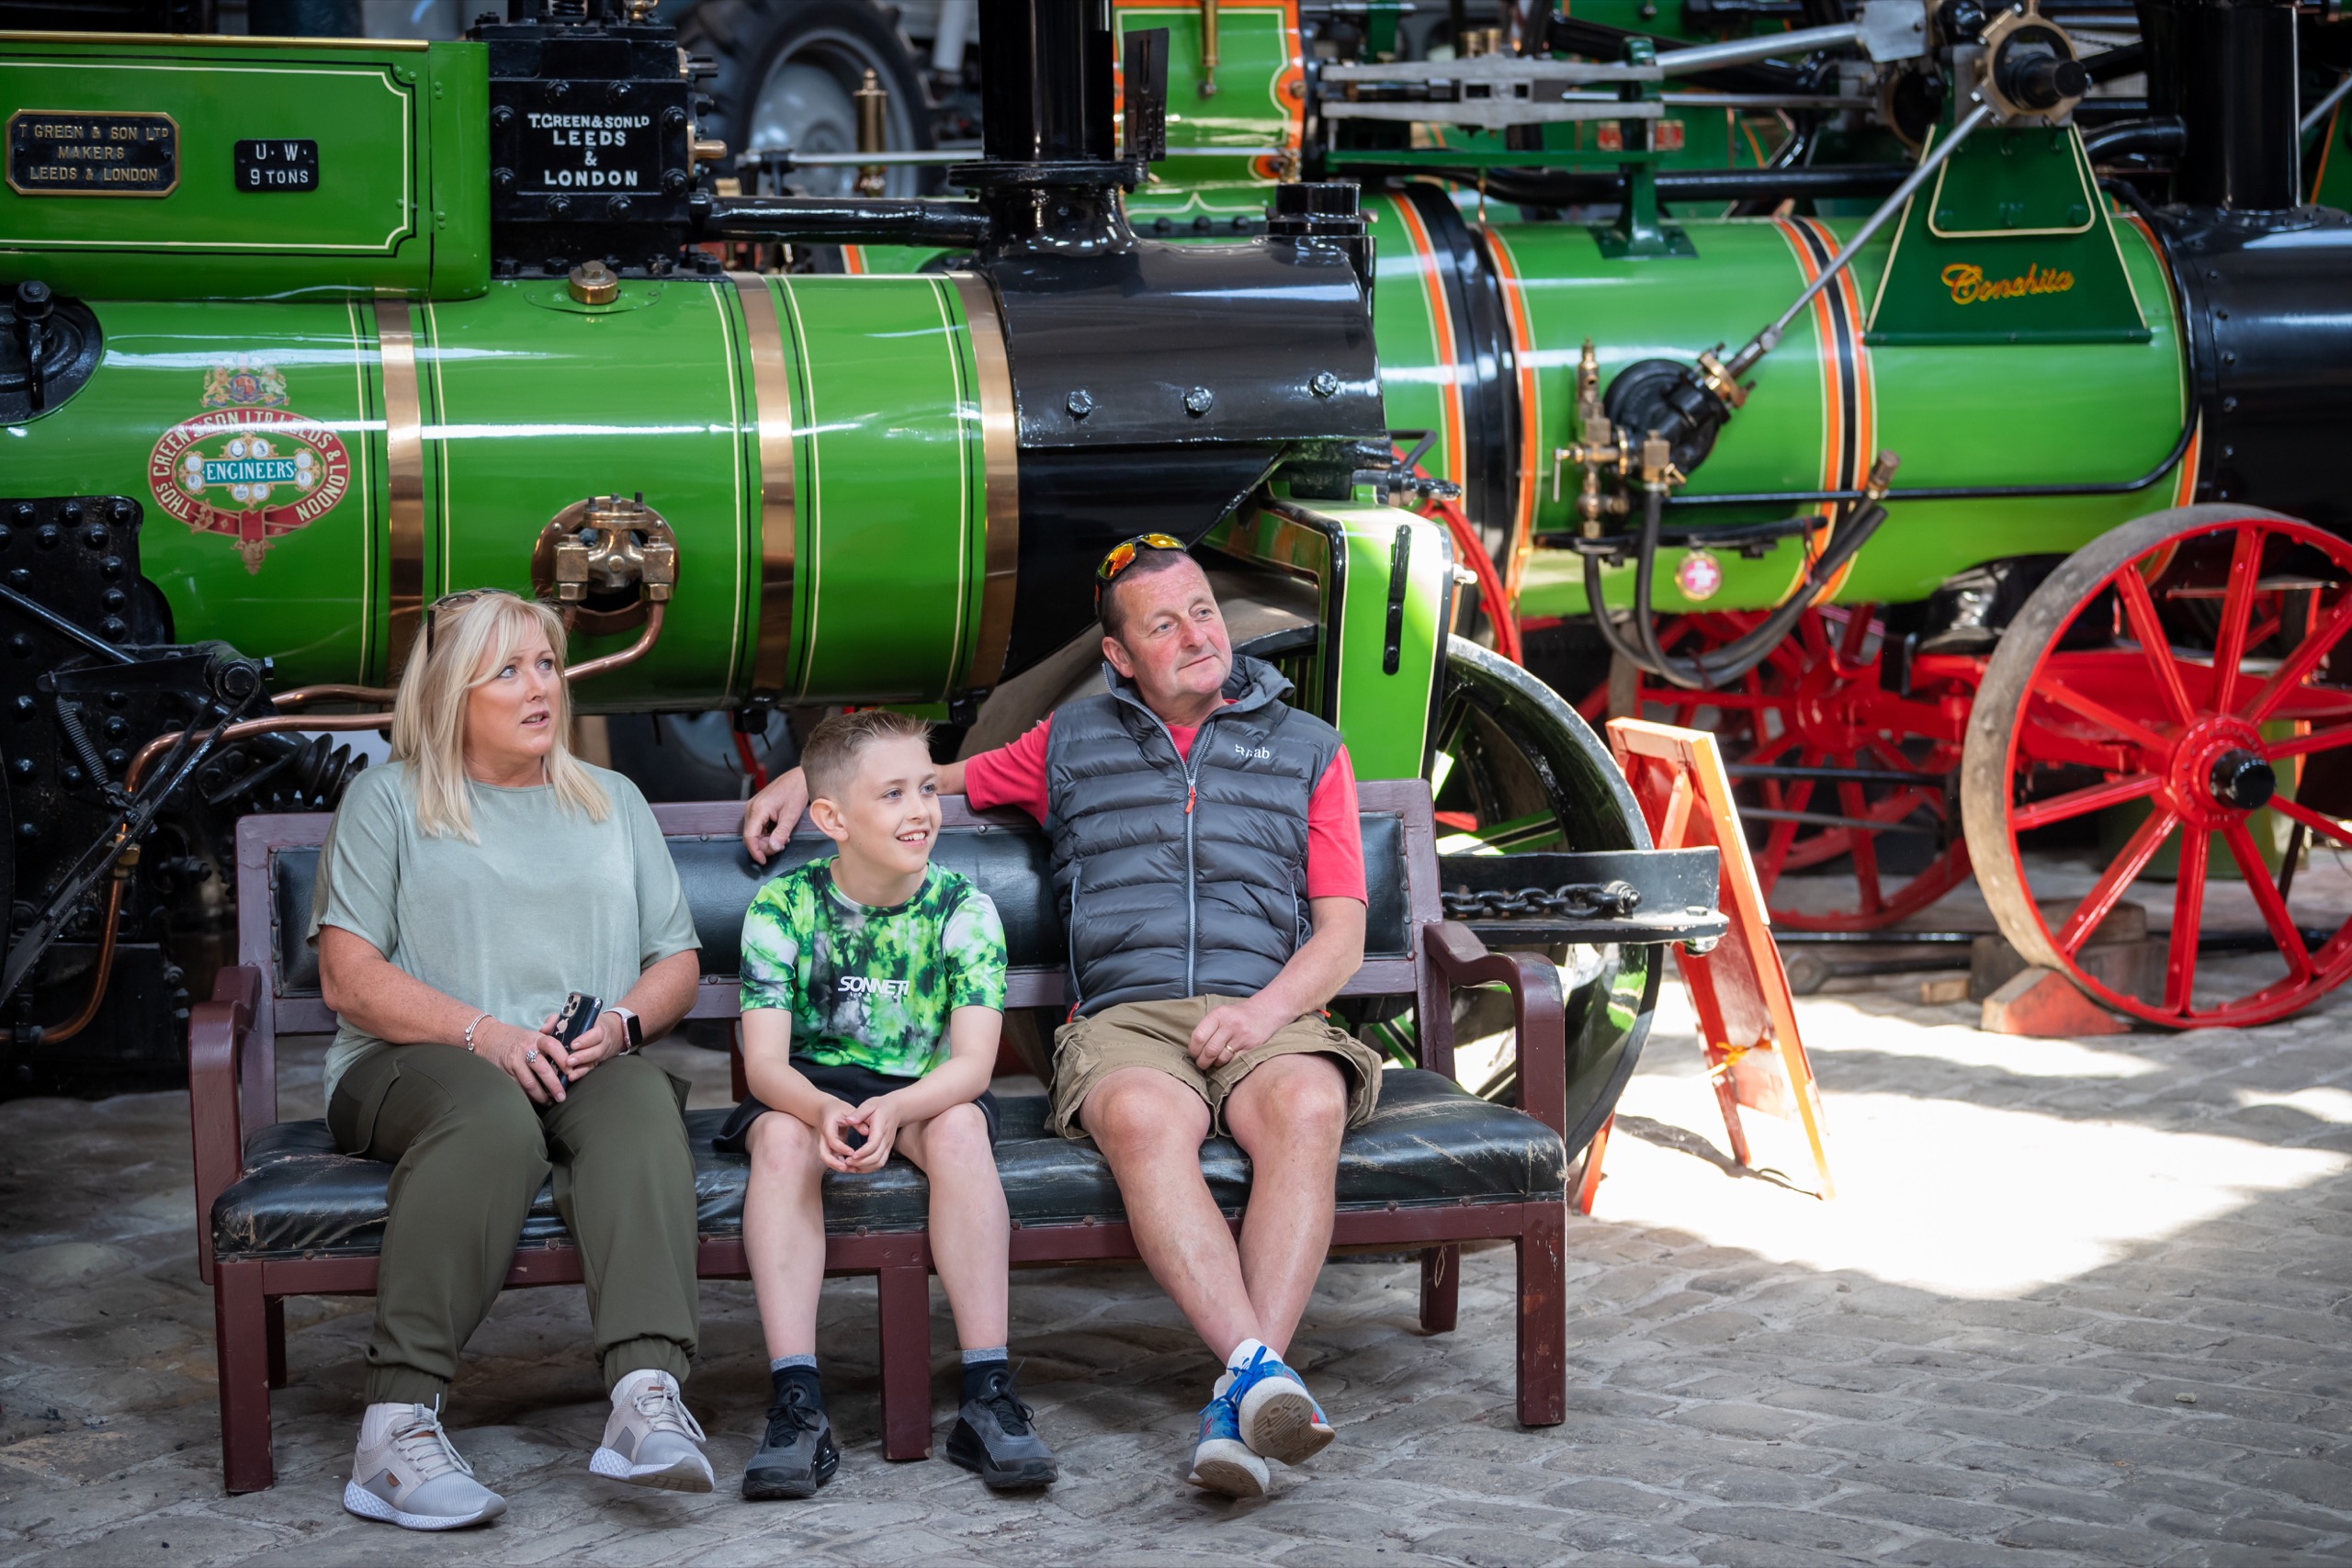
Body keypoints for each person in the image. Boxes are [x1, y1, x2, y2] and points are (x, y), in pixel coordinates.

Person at [741, 536, 1377, 1500]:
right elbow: (939, 779)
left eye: (1202, 610)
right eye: (1163, 625)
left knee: (1308, 1108)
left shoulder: (1309, 749)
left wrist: (1263, 1013)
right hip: (1127, 1017)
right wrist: (809, 782)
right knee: (1140, 1120)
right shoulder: (1069, 743)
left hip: (1270, 1009)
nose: (1198, 634)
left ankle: (1243, 1388)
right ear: (1119, 656)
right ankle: (1256, 1386)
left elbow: (1340, 934)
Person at [311, 589, 711, 1530]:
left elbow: (677, 960)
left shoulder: (611, 800)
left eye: (546, 664)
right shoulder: (389, 799)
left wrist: (618, 1026)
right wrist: (484, 1035)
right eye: (508, 671)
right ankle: (393, 1432)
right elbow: (347, 977)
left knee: (643, 1107)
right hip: (415, 1063)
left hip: (578, 1062)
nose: (540, 688)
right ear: (451, 692)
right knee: (490, 1123)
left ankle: (645, 1400)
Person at [720, 709, 1058, 1499]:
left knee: (964, 1135)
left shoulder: (962, 911)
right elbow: (764, 1064)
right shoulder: (782, 909)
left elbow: (973, 1064)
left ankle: (987, 1392)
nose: (921, 811)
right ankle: (796, 1401)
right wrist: (818, 1111)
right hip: (806, 1085)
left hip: (925, 1085)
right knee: (776, 1143)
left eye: (928, 789)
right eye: (894, 794)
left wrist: (900, 1109)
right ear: (832, 818)